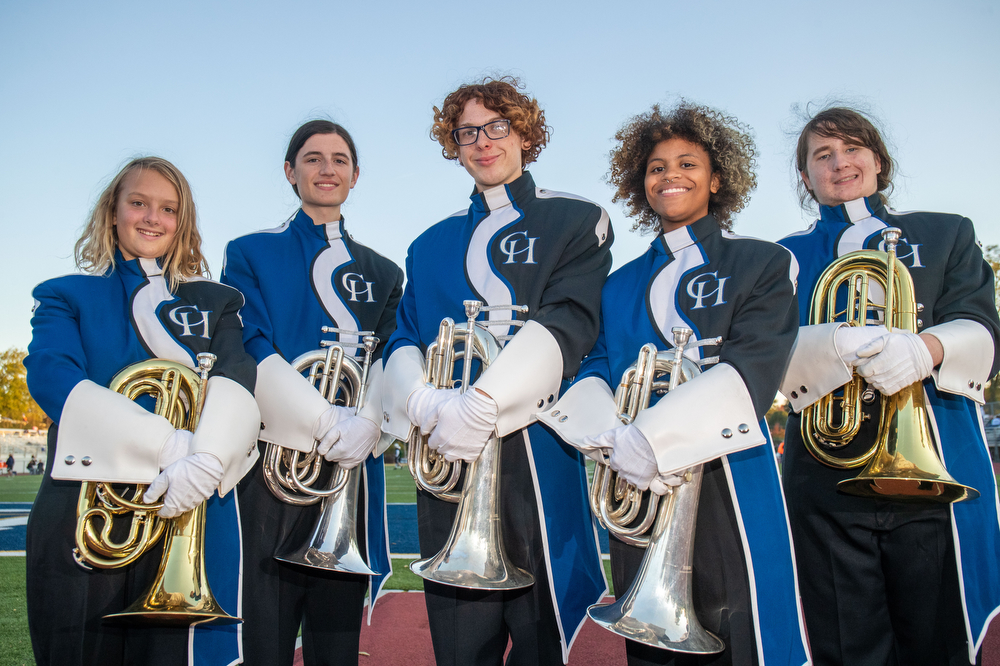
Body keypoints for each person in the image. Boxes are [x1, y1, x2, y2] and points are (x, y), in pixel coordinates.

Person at [539, 102, 809, 666]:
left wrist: (651, 440)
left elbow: (753, 370)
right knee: (655, 648)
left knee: (746, 638)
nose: (671, 176)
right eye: (656, 167)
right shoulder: (617, 285)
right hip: (639, 485)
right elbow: (597, 367)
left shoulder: (763, 262)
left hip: (730, 478)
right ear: (641, 184)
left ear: (717, 178)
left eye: (688, 163)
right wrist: (610, 436)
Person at [381, 76, 613, 665]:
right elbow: (405, 336)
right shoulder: (427, 244)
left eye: (497, 126)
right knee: (461, 644)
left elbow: (569, 321)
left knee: (543, 639)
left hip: (537, 451)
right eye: (467, 132)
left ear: (525, 133)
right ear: (453, 145)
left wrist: (481, 404)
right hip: (448, 456)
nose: (483, 142)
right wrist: (427, 406)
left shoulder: (577, 219)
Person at [777, 106, 1000, 665]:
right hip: (826, 477)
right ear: (805, 177)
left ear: (879, 160)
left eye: (852, 148)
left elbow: (984, 326)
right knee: (847, 648)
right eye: (821, 155)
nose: (839, 162)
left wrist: (925, 349)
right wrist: (831, 346)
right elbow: (766, 351)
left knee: (939, 645)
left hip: (934, 471)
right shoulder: (780, 257)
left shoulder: (947, 231)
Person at [23, 156, 261, 666]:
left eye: (168, 208)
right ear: (113, 211)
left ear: (184, 221)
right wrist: (168, 444)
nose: (153, 218)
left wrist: (206, 461)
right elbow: (51, 376)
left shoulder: (217, 302)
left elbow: (238, 378)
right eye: (139, 203)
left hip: (190, 508)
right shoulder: (68, 294)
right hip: (84, 516)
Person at [221, 120, 403, 666]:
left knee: (336, 646)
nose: (327, 169)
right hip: (270, 473)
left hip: (350, 474)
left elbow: (394, 358)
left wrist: (368, 422)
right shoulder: (250, 252)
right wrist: (322, 421)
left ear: (354, 176)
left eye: (340, 159)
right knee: (265, 642)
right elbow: (248, 340)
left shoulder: (386, 271)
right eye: (313, 158)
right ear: (290, 172)